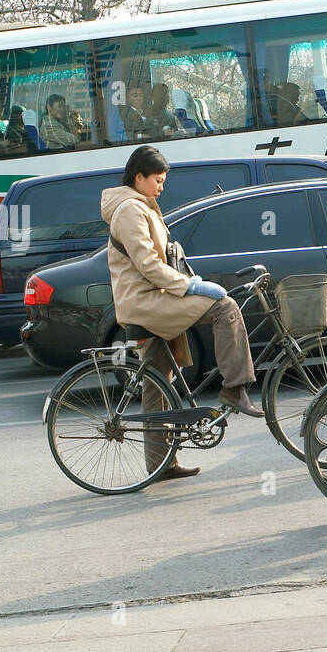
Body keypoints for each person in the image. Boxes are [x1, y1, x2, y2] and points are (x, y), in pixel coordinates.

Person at [103, 146, 263, 480]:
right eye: (158, 180)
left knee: (158, 383)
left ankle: (160, 465)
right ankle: (235, 387)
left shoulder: (140, 205)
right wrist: (189, 286)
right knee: (225, 307)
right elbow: (148, 264)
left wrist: (186, 281)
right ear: (139, 177)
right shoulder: (130, 210)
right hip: (146, 300)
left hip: (151, 297)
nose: (162, 187)